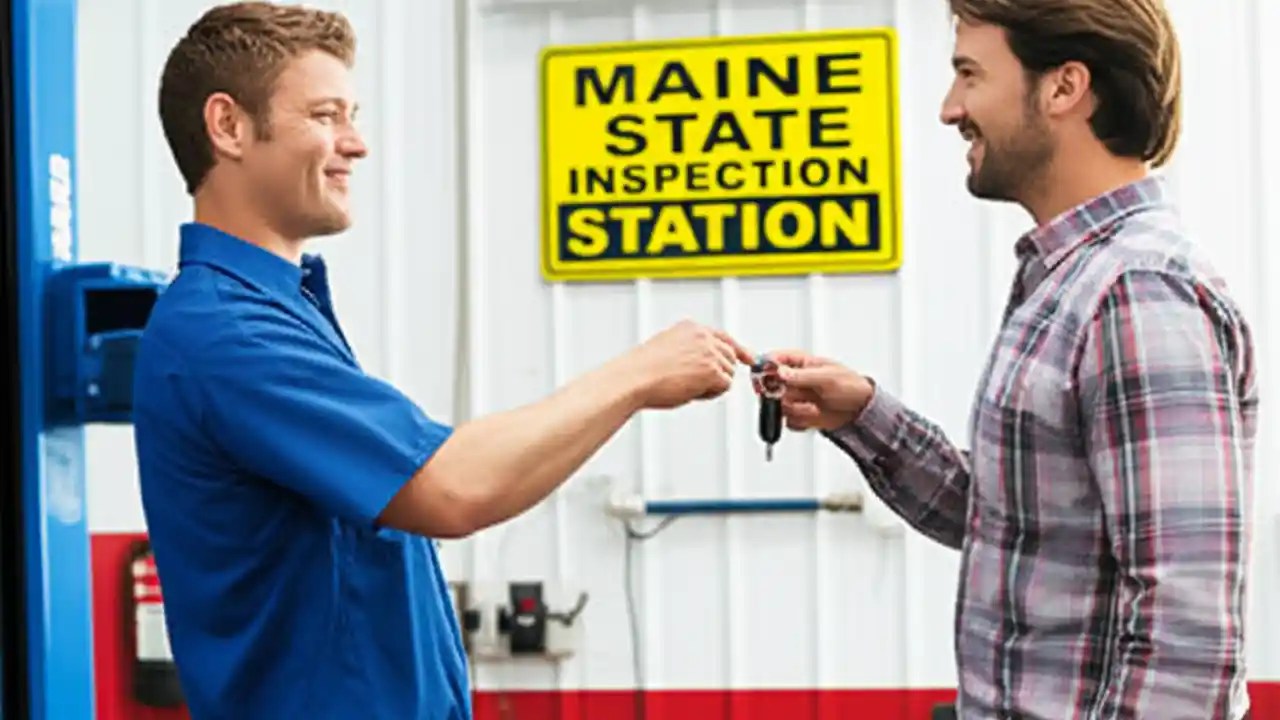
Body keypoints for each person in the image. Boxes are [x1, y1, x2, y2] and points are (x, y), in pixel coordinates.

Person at [132, 3, 752, 718]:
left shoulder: (278, 312)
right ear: (229, 126)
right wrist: (639, 374)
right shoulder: (227, 333)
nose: (356, 143)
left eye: (353, 116)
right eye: (326, 115)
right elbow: (452, 486)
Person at [762, 1, 1257, 719]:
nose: (950, 108)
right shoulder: (1070, 281)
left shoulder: (1138, 291)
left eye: (970, 74)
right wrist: (864, 415)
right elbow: (1015, 523)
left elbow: (1187, 642)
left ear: (1064, 87)